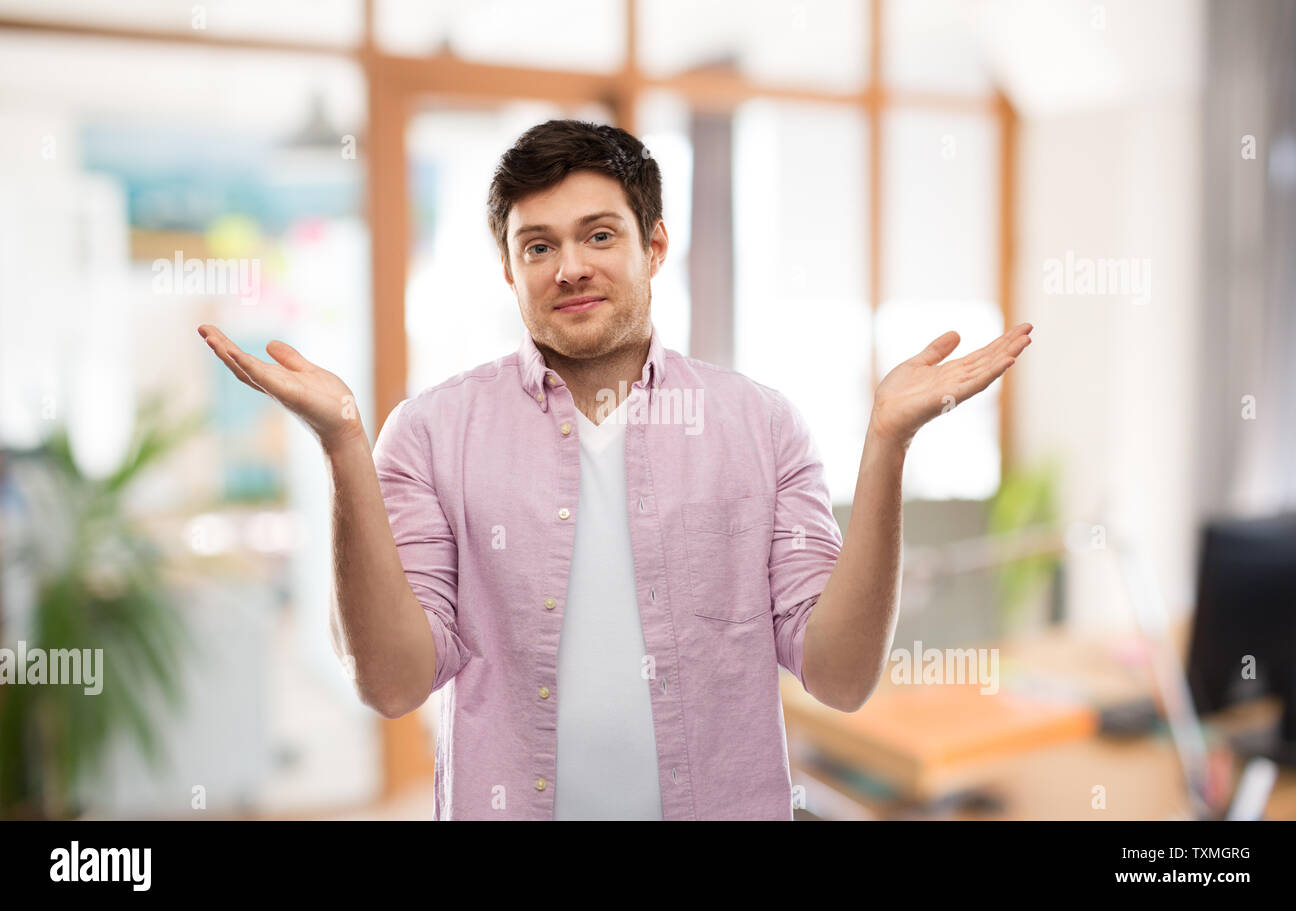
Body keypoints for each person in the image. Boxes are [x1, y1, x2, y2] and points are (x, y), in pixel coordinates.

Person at [196, 118, 1032, 820]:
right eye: (538, 246)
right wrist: (343, 444)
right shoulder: (430, 433)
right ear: (510, 269)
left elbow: (840, 676)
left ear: (654, 244)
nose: (570, 267)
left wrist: (888, 445)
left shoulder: (762, 425)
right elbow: (391, 683)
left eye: (599, 234)